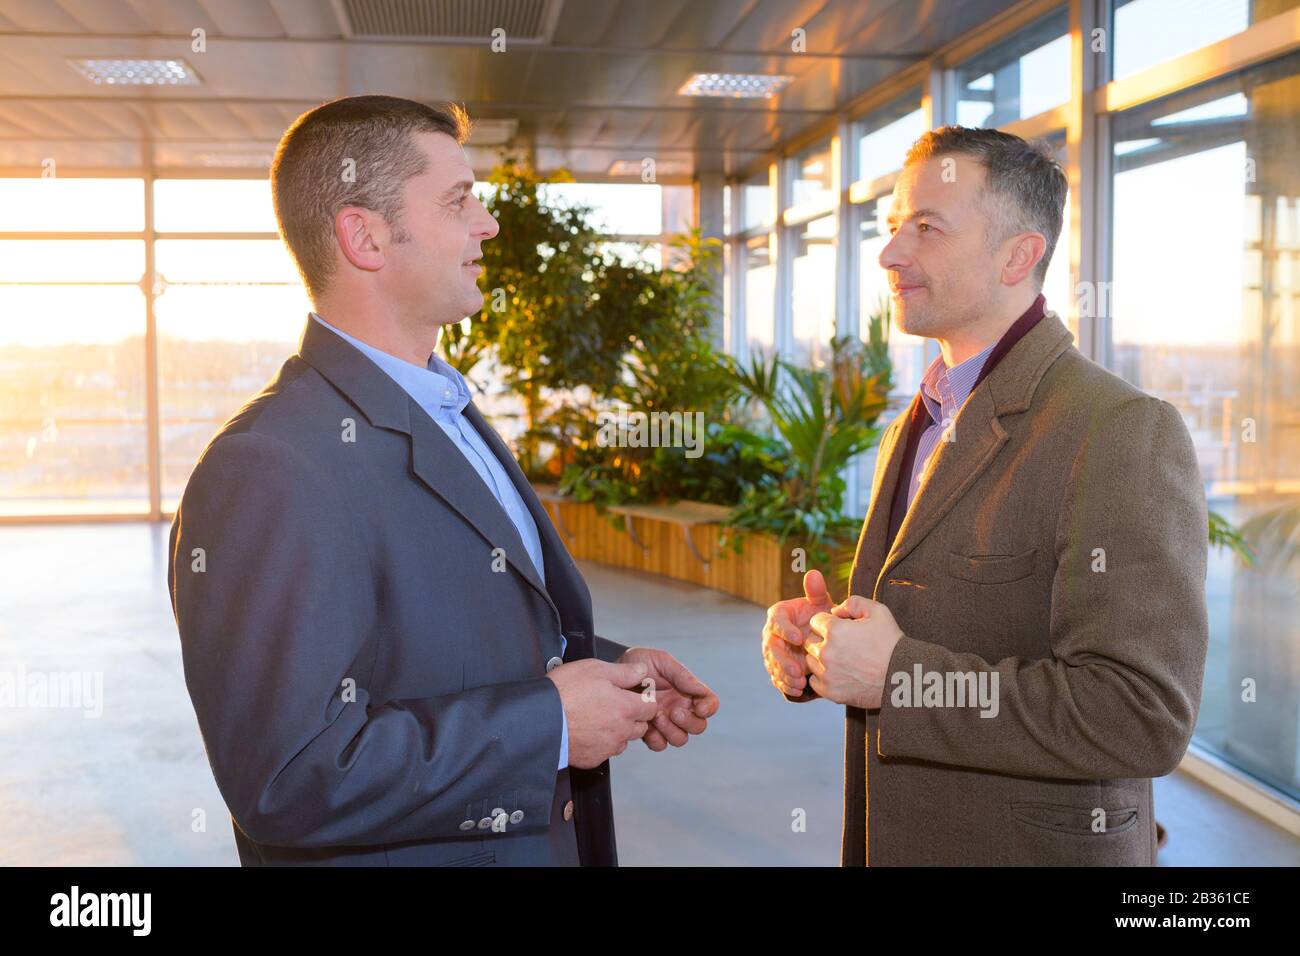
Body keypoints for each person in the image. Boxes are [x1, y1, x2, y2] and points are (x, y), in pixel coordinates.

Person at [168, 95, 718, 866]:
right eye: (459, 201)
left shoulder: (445, 407)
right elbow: (287, 777)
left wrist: (604, 673)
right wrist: (551, 724)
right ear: (365, 237)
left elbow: (446, 638)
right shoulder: (268, 467)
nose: (487, 224)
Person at [760, 126, 1207, 866]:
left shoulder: (1122, 429)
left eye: (926, 228)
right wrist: (821, 645)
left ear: (1018, 255)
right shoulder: (922, 416)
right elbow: (943, 619)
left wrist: (898, 677)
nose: (891, 253)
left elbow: (1141, 716)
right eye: (893, 225)